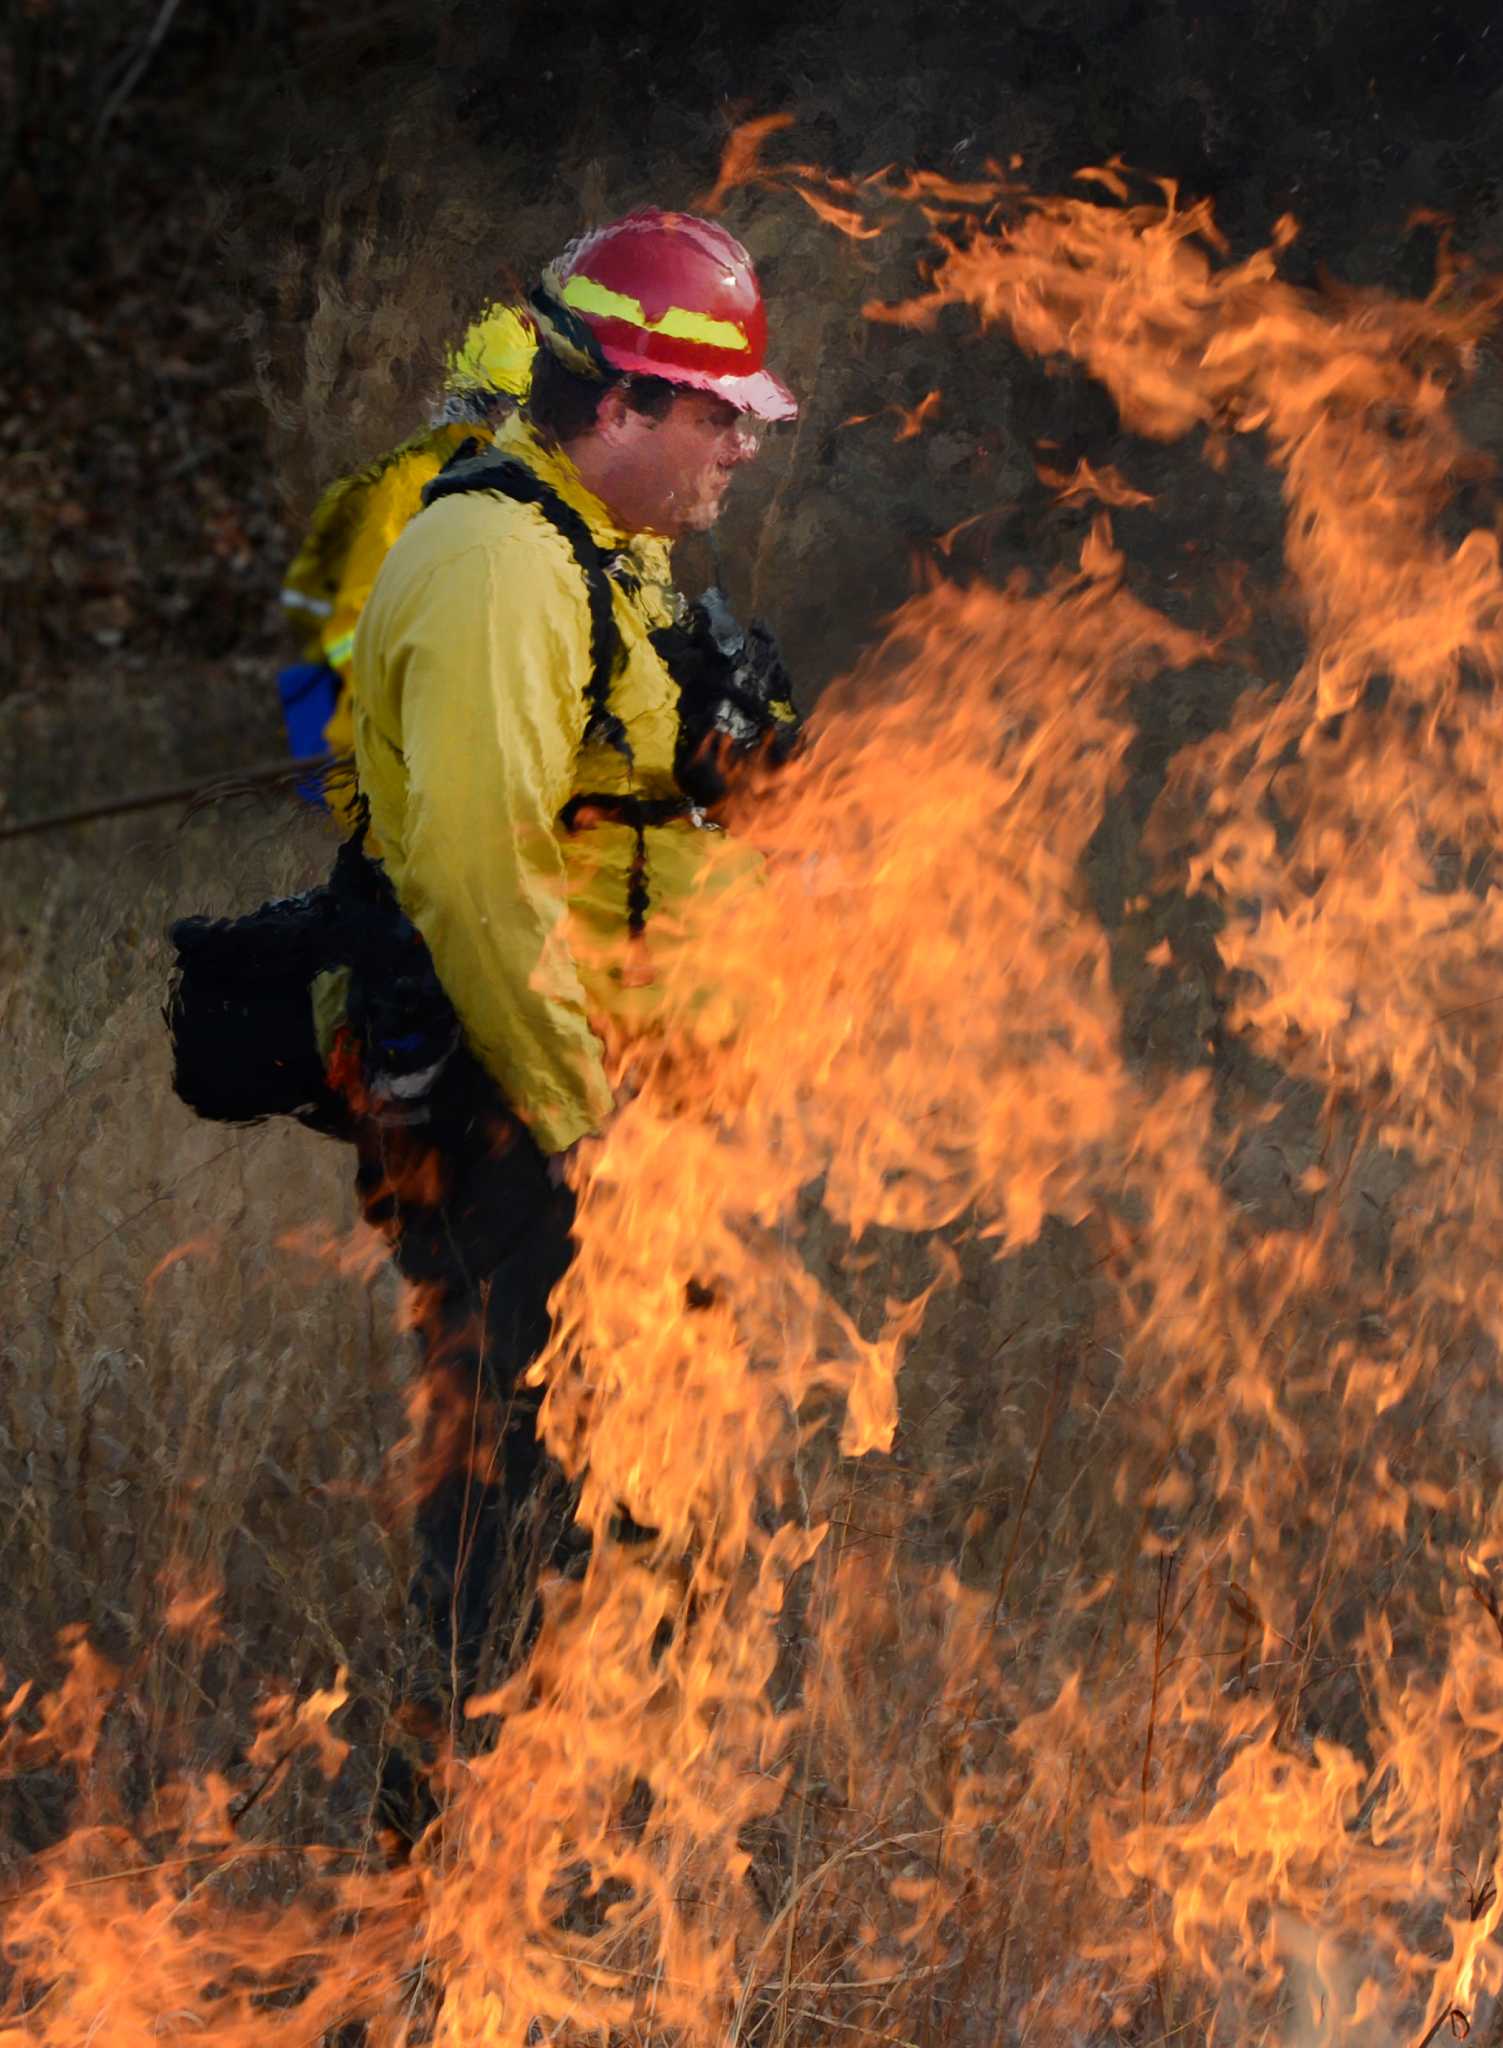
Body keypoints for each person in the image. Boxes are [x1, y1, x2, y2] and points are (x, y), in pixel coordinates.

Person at [326, 208, 801, 1852]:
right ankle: (434, 1902)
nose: (741, 441)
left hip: (606, 1104)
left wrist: (728, 747)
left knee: (624, 1504)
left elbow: (613, 809)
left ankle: (576, 1864)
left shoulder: (599, 554)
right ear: (621, 403)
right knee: (516, 1523)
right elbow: (475, 880)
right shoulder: (493, 567)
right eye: (717, 410)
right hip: (521, 1121)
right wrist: (590, 1131)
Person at [276, 302, 537, 810]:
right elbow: (354, 631)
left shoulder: (459, 480)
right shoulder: (413, 489)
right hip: (352, 741)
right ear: (504, 409)